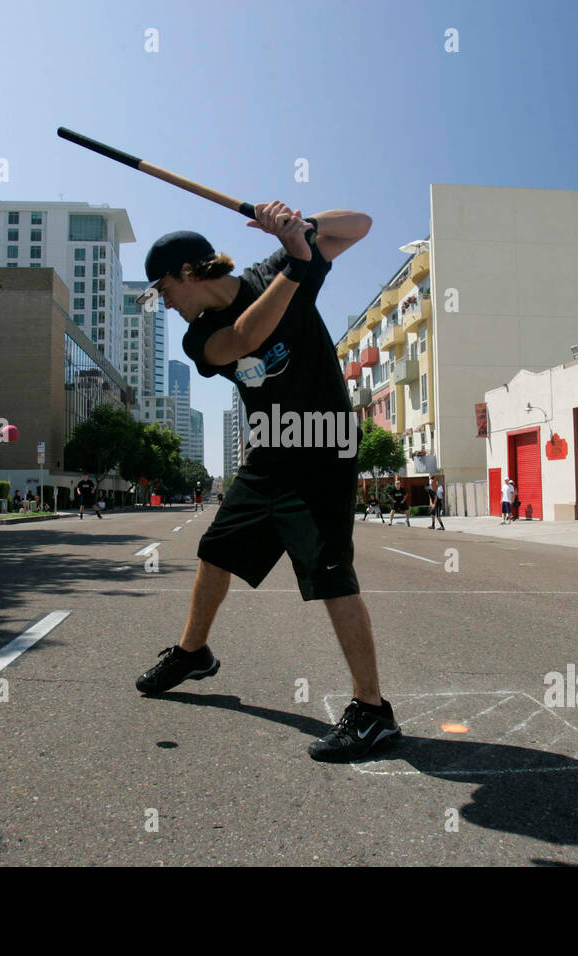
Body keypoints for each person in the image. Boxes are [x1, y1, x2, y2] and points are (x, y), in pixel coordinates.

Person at [131, 201, 400, 762]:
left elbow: (361, 226)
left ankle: (372, 712)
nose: (166, 305)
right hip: (269, 452)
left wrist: (297, 225)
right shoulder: (200, 335)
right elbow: (247, 339)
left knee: (330, 573)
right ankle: (193, 652)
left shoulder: (271, 267)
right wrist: (298, 263)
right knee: (216, 550)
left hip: (323, 447)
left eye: (163, 290)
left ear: (187, 273)